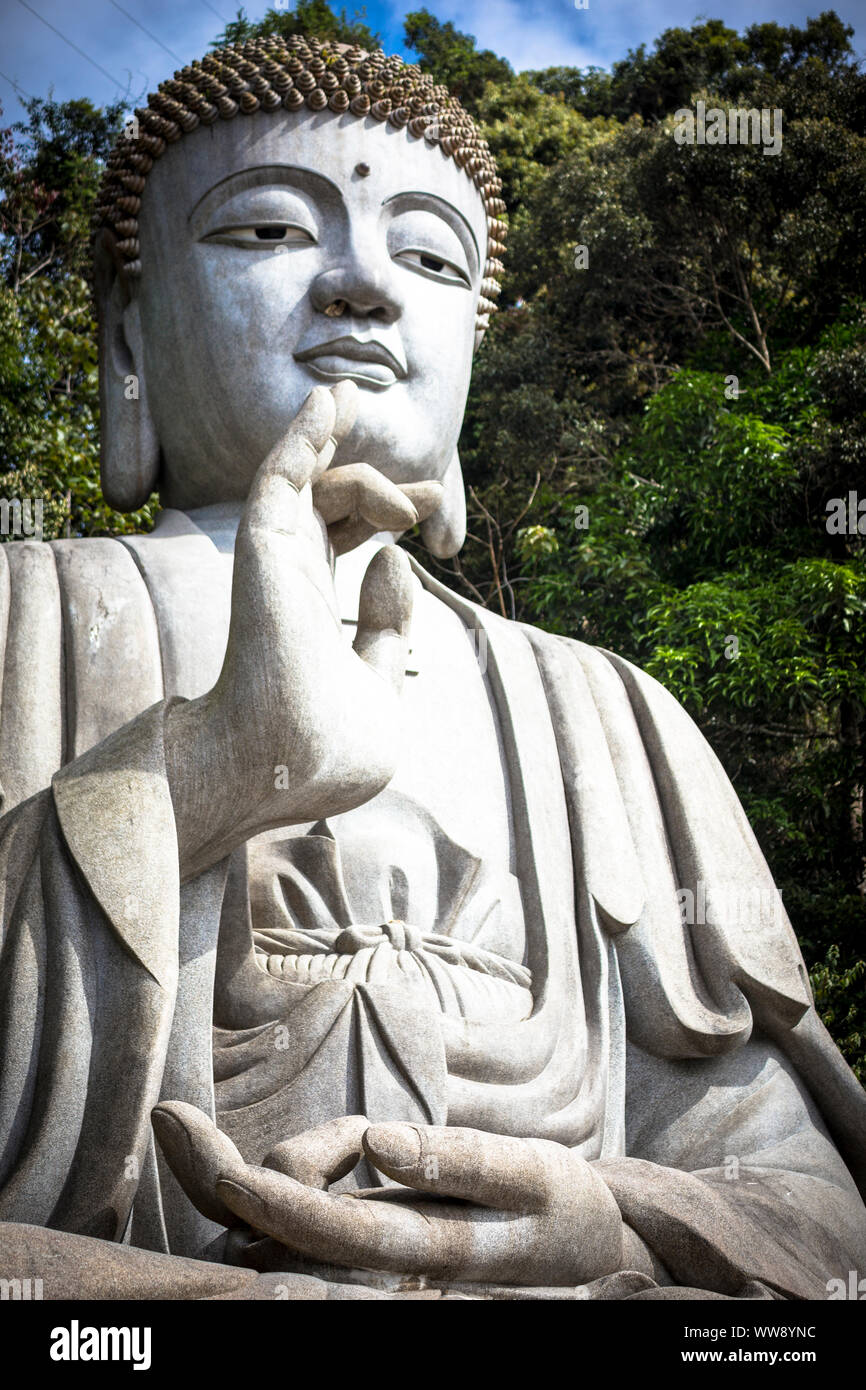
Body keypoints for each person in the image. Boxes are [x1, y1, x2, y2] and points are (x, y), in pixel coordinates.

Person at [0, 33, 864, 1300]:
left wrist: (618, 1222)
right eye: (266, 234)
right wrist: (201, 770)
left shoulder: (608, 715)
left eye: (427, 257)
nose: (364, 288)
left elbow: (815, 1217)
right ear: (130, 329)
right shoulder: (22, 614)